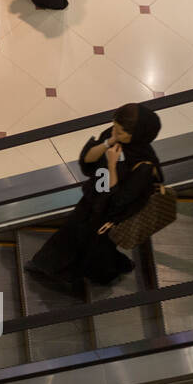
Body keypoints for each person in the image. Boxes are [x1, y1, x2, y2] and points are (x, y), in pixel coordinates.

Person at [26, 103, 163, 290]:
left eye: (120, 131)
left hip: (109, 212)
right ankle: (53, 266)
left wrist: (113, 165)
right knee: (76, 234)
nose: (115, 132)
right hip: (94, 198)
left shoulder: (144, 165)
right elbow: (88, 161)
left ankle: (62, 271)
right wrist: (108, 143)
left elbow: (119, 200)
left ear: (137, 135)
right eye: (114, 126)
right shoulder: (114, 135)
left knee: (86, 240)